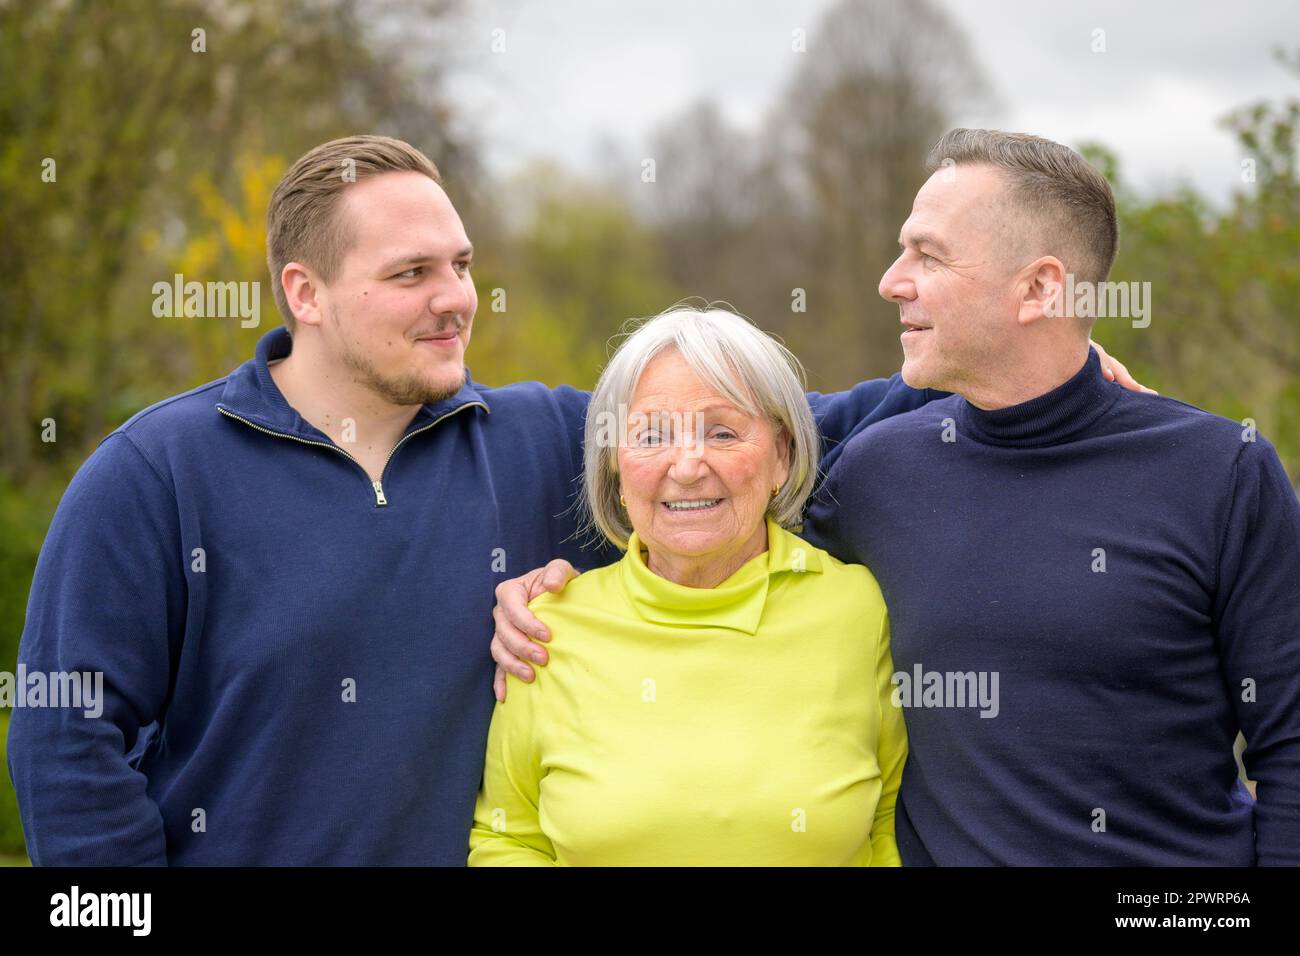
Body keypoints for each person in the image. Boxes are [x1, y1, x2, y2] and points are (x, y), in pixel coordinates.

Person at [8, 134, 1015, 865]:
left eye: (461, 265)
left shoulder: (532, 437)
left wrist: (1023, 368)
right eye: (410, 273)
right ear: (305, 293)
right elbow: (69, 741)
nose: (457, 298)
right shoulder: (157, 473)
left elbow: (749, 428)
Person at [488, 129, 1300, 866]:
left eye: (928, 256)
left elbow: (1290, 744)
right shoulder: (880, 471)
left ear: (1039, 289)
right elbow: (705, 504)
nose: (889, 281)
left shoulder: (1219, 472)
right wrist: (550, 591)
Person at [469, 306, 905, 866]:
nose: (688, 465)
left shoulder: (858, 610)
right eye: (652, 436)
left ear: (782, 457)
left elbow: (891, 823)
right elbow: (510, 839)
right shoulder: (548, 627)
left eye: (722, 432)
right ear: (615, 470)